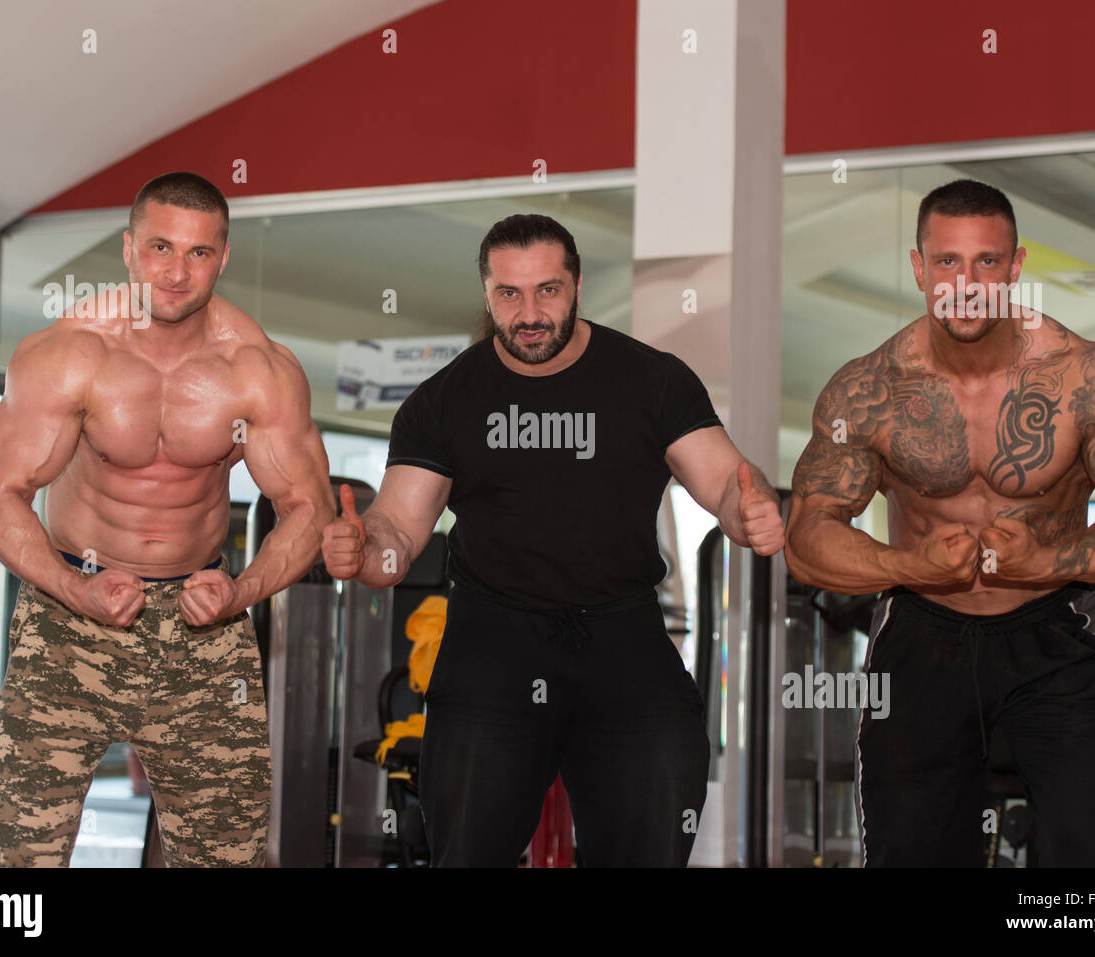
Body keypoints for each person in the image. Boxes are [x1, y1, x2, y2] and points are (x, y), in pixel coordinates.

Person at [321, 213, 784, 866]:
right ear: (486, 292)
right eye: (509, 293)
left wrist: (750, 509)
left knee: (652, 833)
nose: (530, 312)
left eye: (548, 290)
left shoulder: (651, 379)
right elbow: (398, 528)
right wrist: (364, 552)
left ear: (577, 284)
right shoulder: (444, 401)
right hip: (494, 643)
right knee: (468, 853)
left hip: (622, 638)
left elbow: (726, 482)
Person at [785, 179, 1095, 867]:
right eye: (946, 262)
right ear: (918, 268)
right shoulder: (869, 389)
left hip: (1053, 632)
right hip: (921, 633)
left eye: (987, 263)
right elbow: (807, 534)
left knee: (1082, 864)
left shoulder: (1088, 376)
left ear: (1017, 266)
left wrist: (1052, 559)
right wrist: (906, 566)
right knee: (906, 852)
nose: (965, 283)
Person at [0, 171, 332, 866]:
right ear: (130, 249)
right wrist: (73, 589)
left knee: (229, 858)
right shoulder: (67, 355)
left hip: (204, 627)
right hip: (68, 618)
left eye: (199, 253)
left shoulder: (259, 370)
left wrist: (243, 592)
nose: (176, 271)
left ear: (223, 259)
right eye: (161, 248)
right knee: (21, 861)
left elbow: (307, 508)